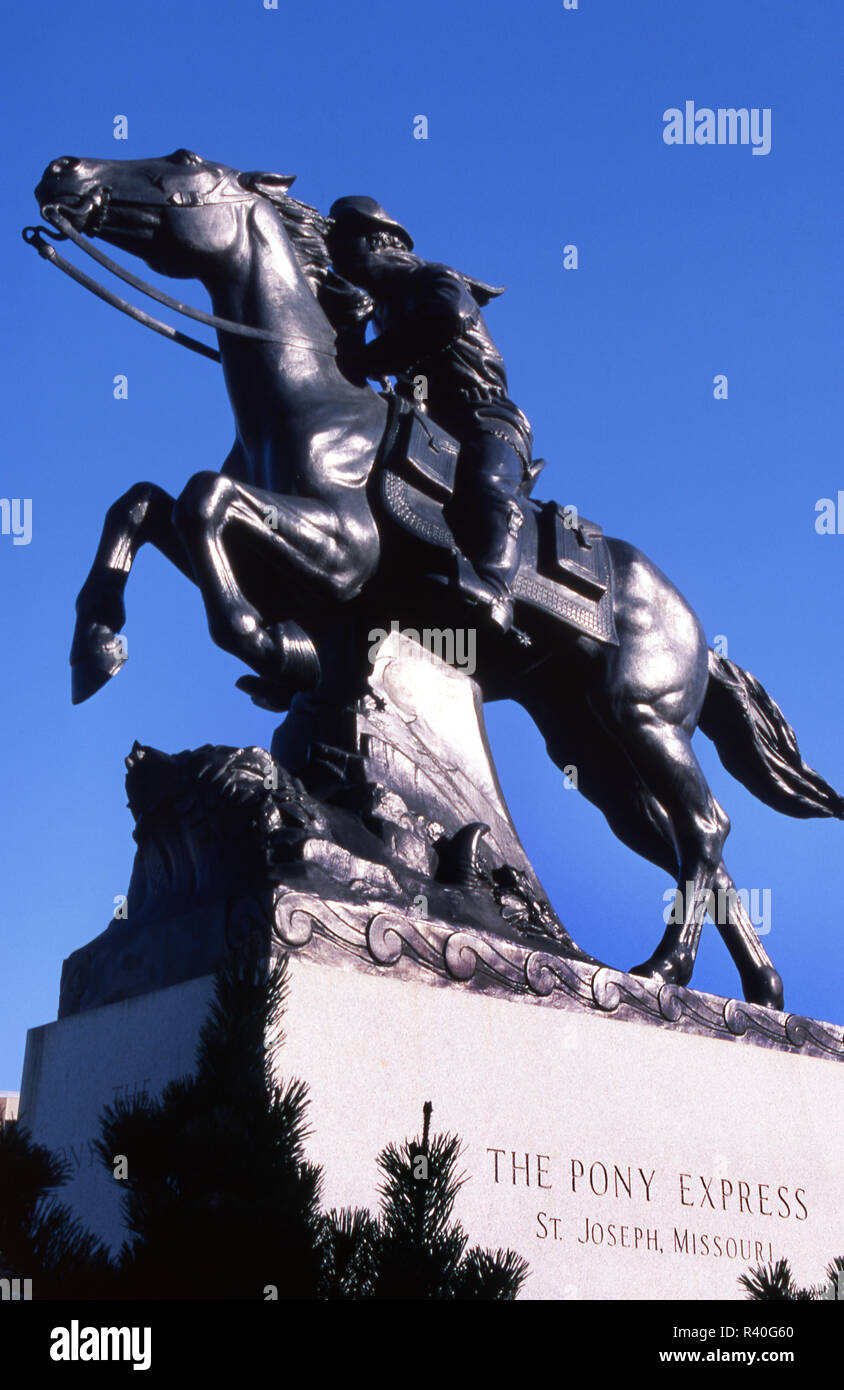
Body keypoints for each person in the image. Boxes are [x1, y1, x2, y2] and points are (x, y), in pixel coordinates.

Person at [326, 196, 534, 632]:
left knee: (489, 484)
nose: (335, 253)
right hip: (427, 421)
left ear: (379, 241)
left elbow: (449, 316)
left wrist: (371, 357)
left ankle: (496, 589)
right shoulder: (380, 309)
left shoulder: (431, 279)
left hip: (484, 416)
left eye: (345, 242)